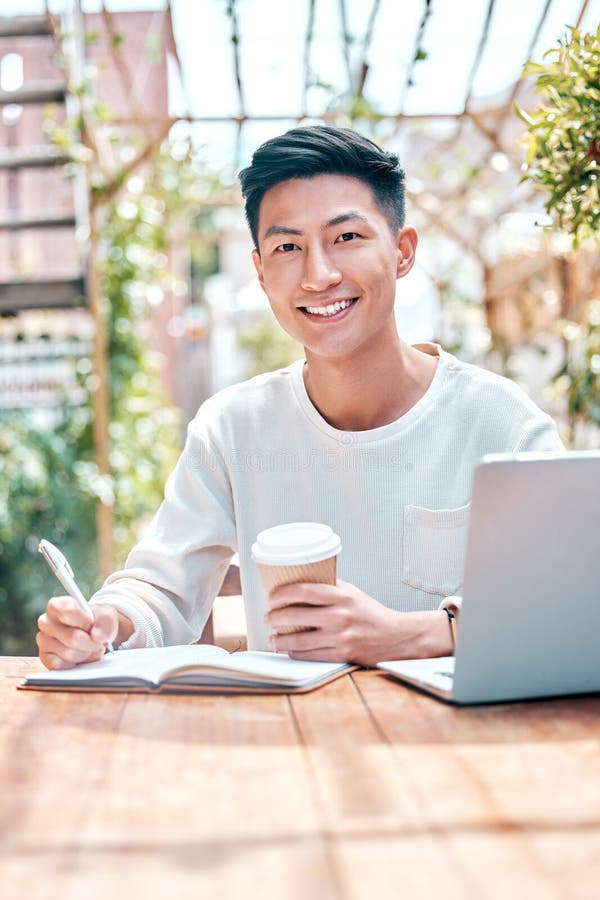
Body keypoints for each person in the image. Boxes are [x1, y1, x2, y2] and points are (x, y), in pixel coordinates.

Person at [36, 125, 564, 670]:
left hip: (456, 724)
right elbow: (160, 587)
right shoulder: (233, 428)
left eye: (347, 237)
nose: (319, 275)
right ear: (261, 272)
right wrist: (104, 623)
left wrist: (407, 634)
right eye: (288, 247)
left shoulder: (503, 425)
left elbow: (567, 600)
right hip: (290, 723)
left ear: (402, 252)